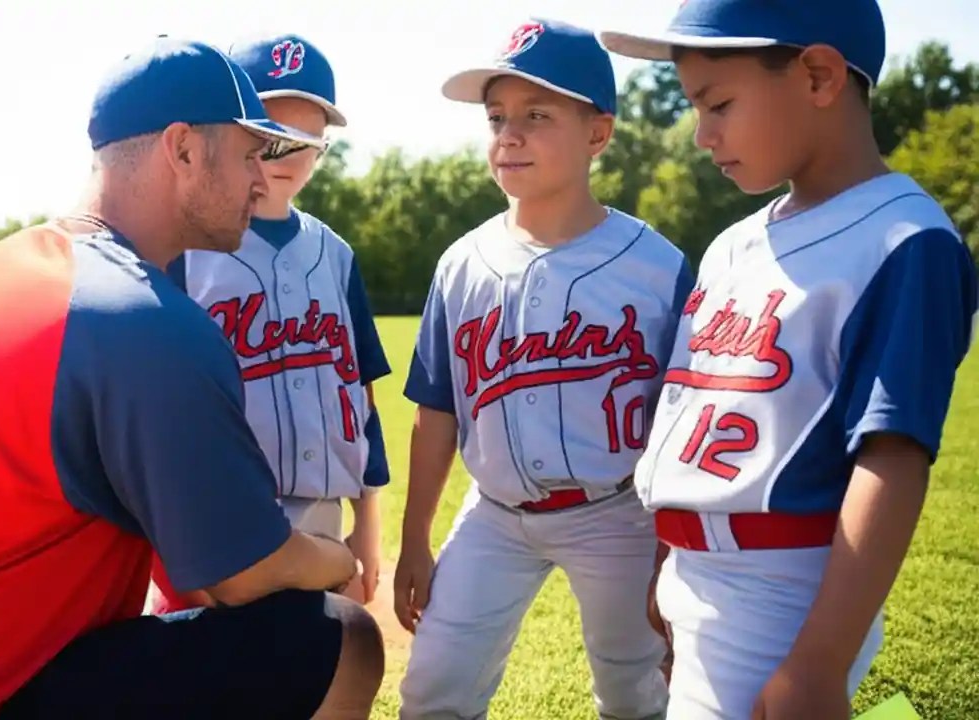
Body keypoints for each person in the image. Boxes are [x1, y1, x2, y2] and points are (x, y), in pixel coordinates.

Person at [0, 36, 385, 720]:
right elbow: (246, 573)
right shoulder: (139, 315)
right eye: (249, 153)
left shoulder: (15, 263)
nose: (262, 178)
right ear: (184, 149)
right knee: (344, 638)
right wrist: (336, 559)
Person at [599, 1, 979, 717]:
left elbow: (893, 456)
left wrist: (820, 659)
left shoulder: (905, 239)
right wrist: (669, 562)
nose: (701, 135)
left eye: (718, 104)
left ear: (819, 75)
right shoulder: (731, 244)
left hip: (784, 586)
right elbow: (688, 415)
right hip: (699, 570)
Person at [393, 19, 691, 720]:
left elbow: (685, 420)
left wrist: (675, 548)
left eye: (537, 115)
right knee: (435, 683)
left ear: (599, 132)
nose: (510, 135)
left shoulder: (655, 266)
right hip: (494, 513)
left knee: (635, 689)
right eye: (497, 118)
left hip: (616, 511)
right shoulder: (462, 263)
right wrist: (414, 541)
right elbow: (436, 411)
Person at [148, 31, 392, 616]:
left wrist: (369, 524)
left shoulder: (335, 255)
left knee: (316, 666)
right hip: (221, 507)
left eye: (302, 140)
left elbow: (360, 398)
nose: (283, 158)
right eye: (265, 138)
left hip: (323, 509)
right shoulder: (186, 252)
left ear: (325, 146)